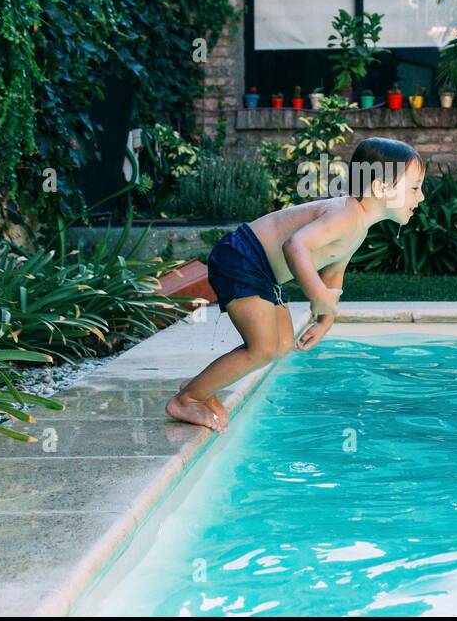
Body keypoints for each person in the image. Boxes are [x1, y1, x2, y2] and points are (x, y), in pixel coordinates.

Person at [166, 137, 425, 431]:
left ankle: (200, 387)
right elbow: (295, 245)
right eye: (414, 188)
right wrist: (316, 296)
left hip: (264, 271)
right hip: (242, 257)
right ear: (380, 188)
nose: (421, 197)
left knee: (281, 345)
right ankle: (186, 400)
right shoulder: (346, 213)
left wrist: (326, 318)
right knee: (262, 347)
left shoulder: (359, 226)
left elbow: (333, 273)